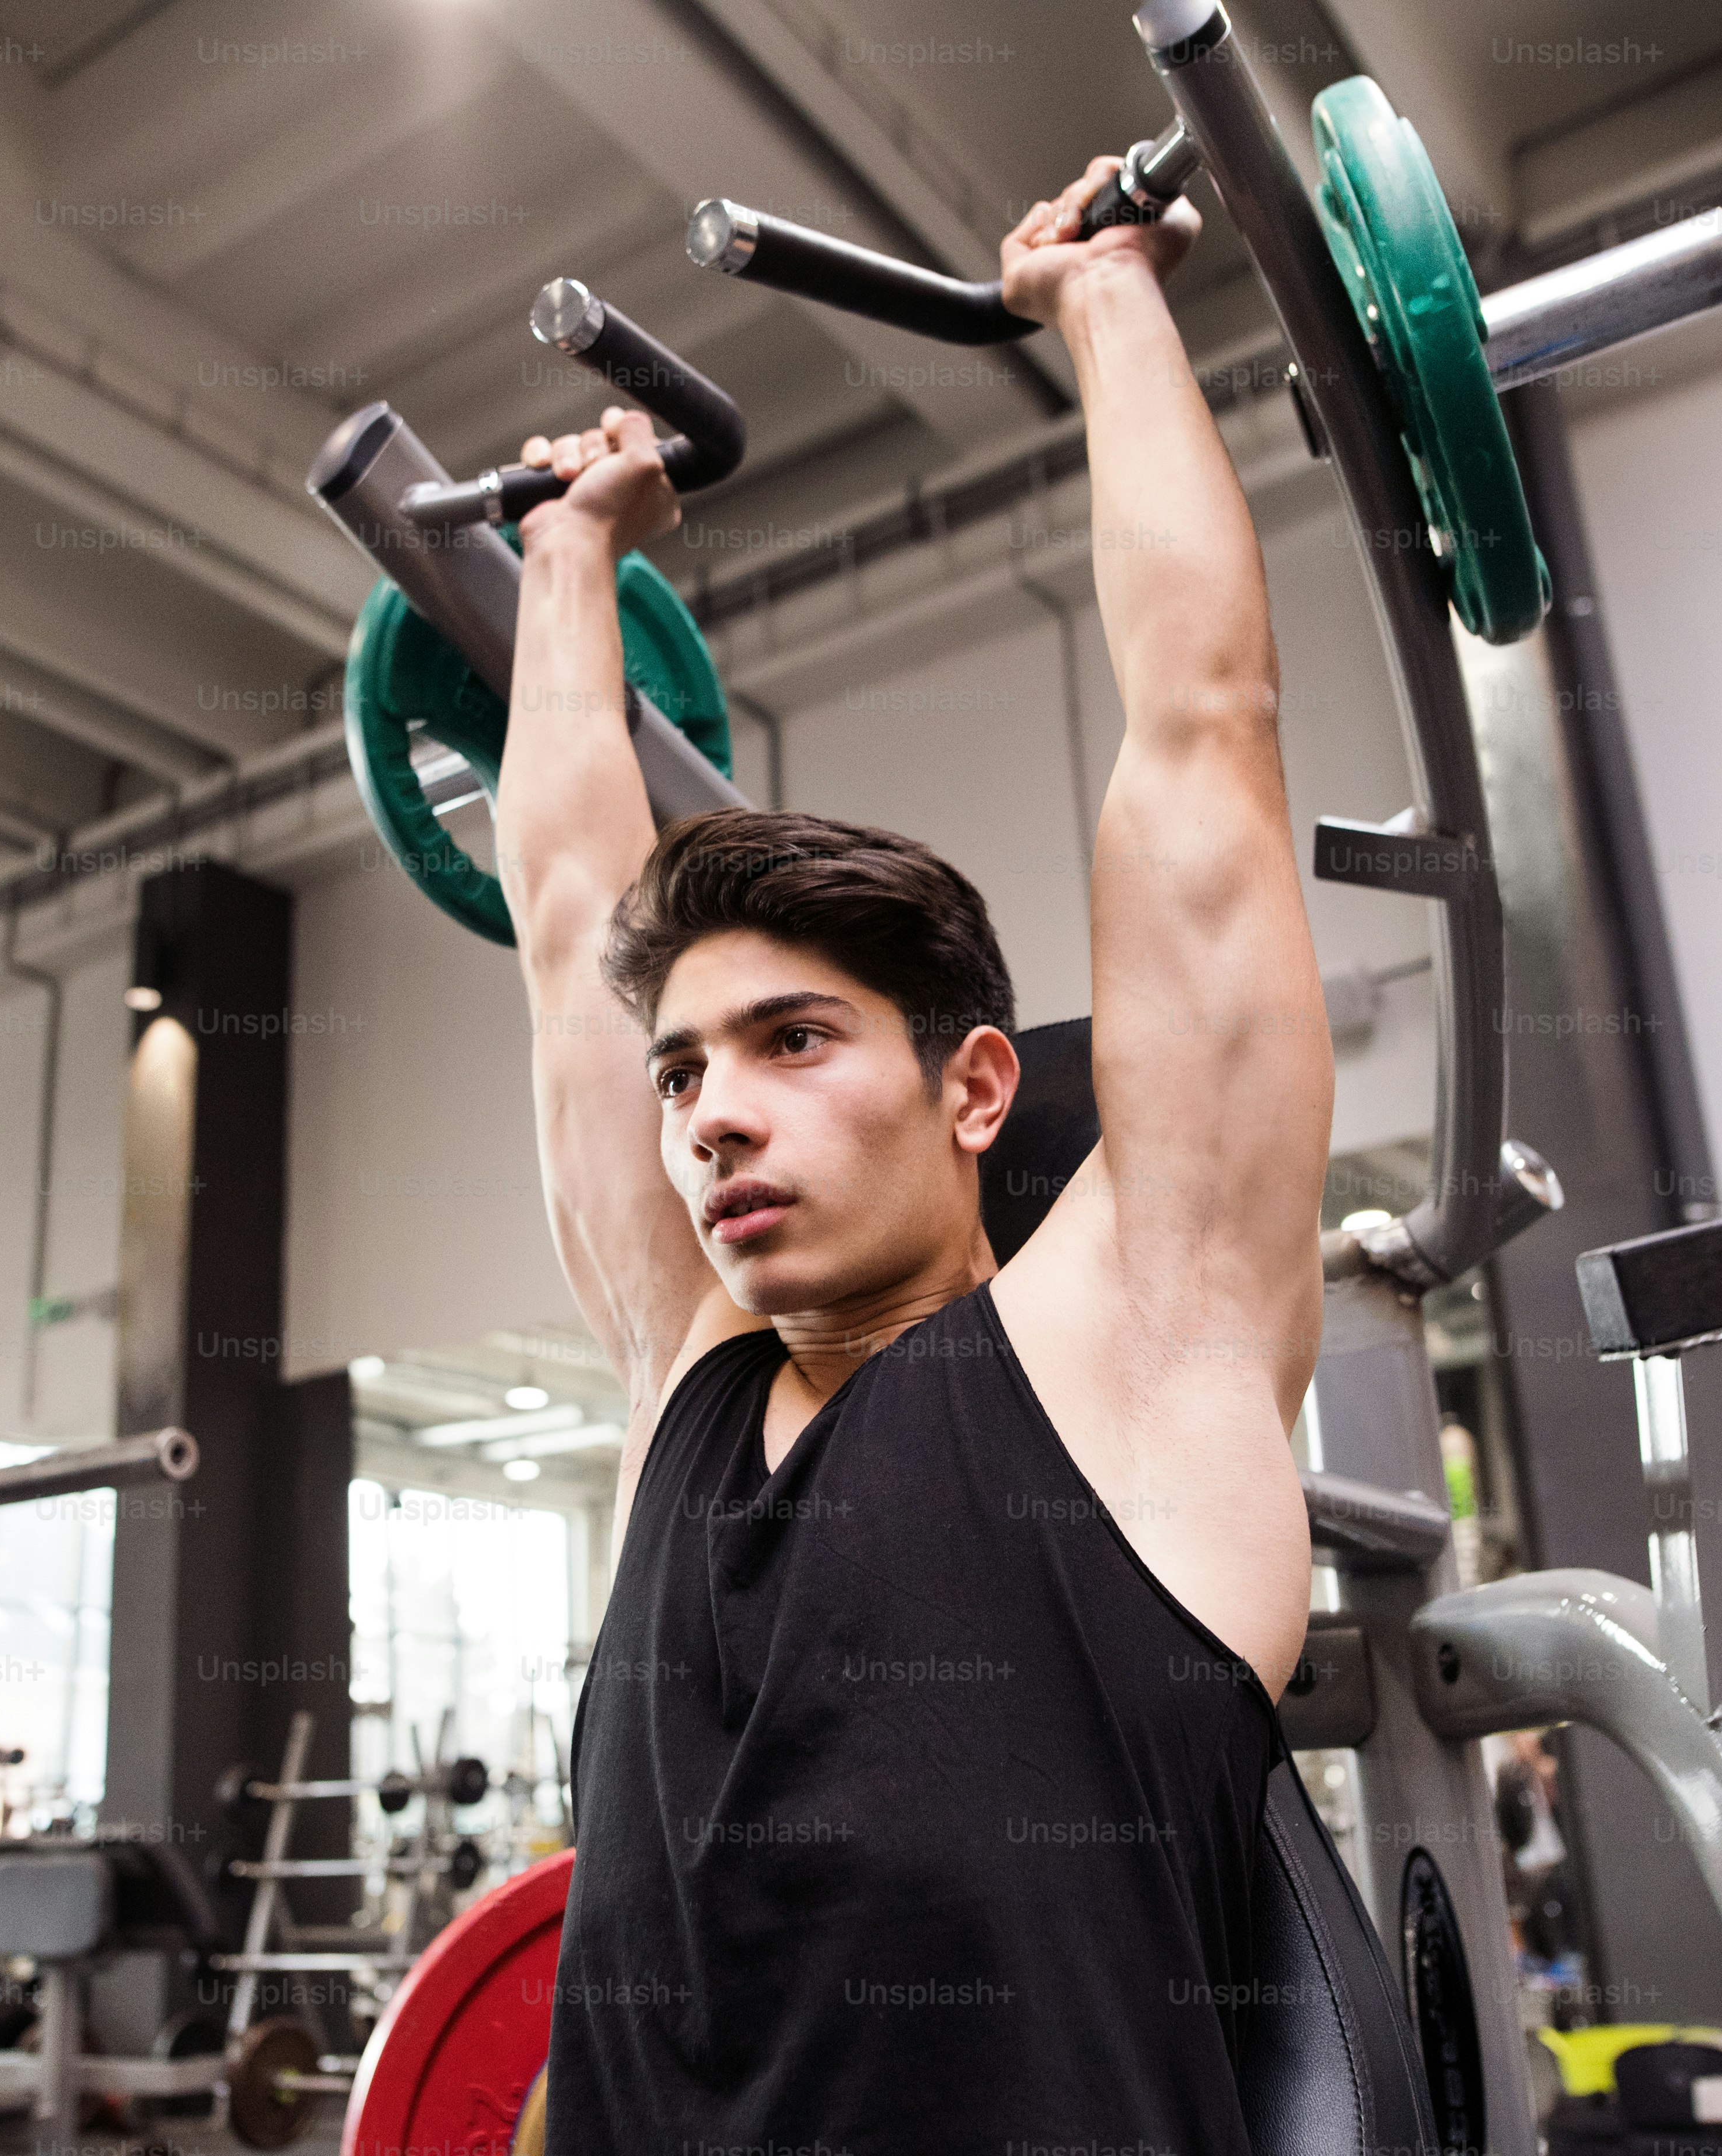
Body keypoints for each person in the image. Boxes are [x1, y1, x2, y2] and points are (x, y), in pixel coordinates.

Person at [500, 154, 1334, 2153]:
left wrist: (1105, 298)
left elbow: (1204, 729)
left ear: (974, 1089)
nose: (709, 1111)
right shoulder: (681, 1398)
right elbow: (558, 921)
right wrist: (563, 559)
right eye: (688, 1067)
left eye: (793, 1041)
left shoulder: (1139, 1355)